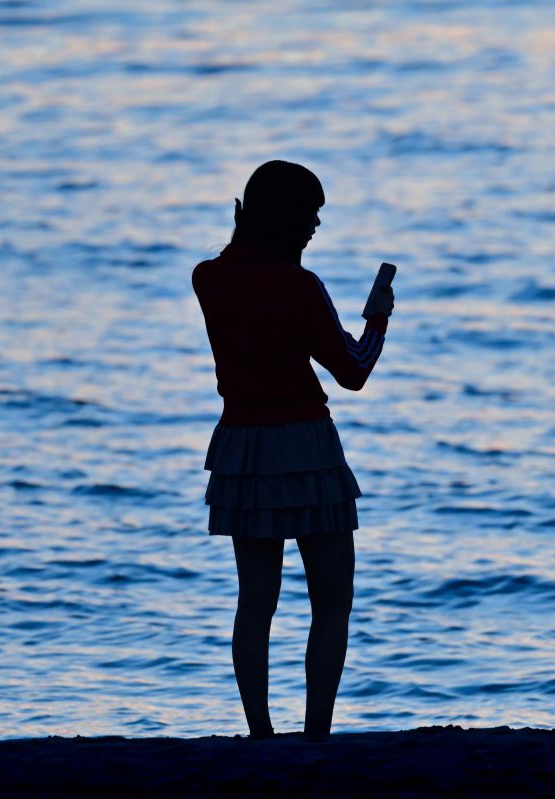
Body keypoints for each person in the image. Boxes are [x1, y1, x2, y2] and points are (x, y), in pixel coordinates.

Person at [192, 160, 395, 739]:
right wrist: (378, 318)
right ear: (285, 215)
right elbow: (353, 371)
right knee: (332, 600)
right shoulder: (299, 286)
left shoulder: (208, 277)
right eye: (311, 214)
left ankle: (260, 735)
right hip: (305, 445)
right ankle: (316, 735)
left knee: (255, 602)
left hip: (242, 449)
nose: (315, 226)